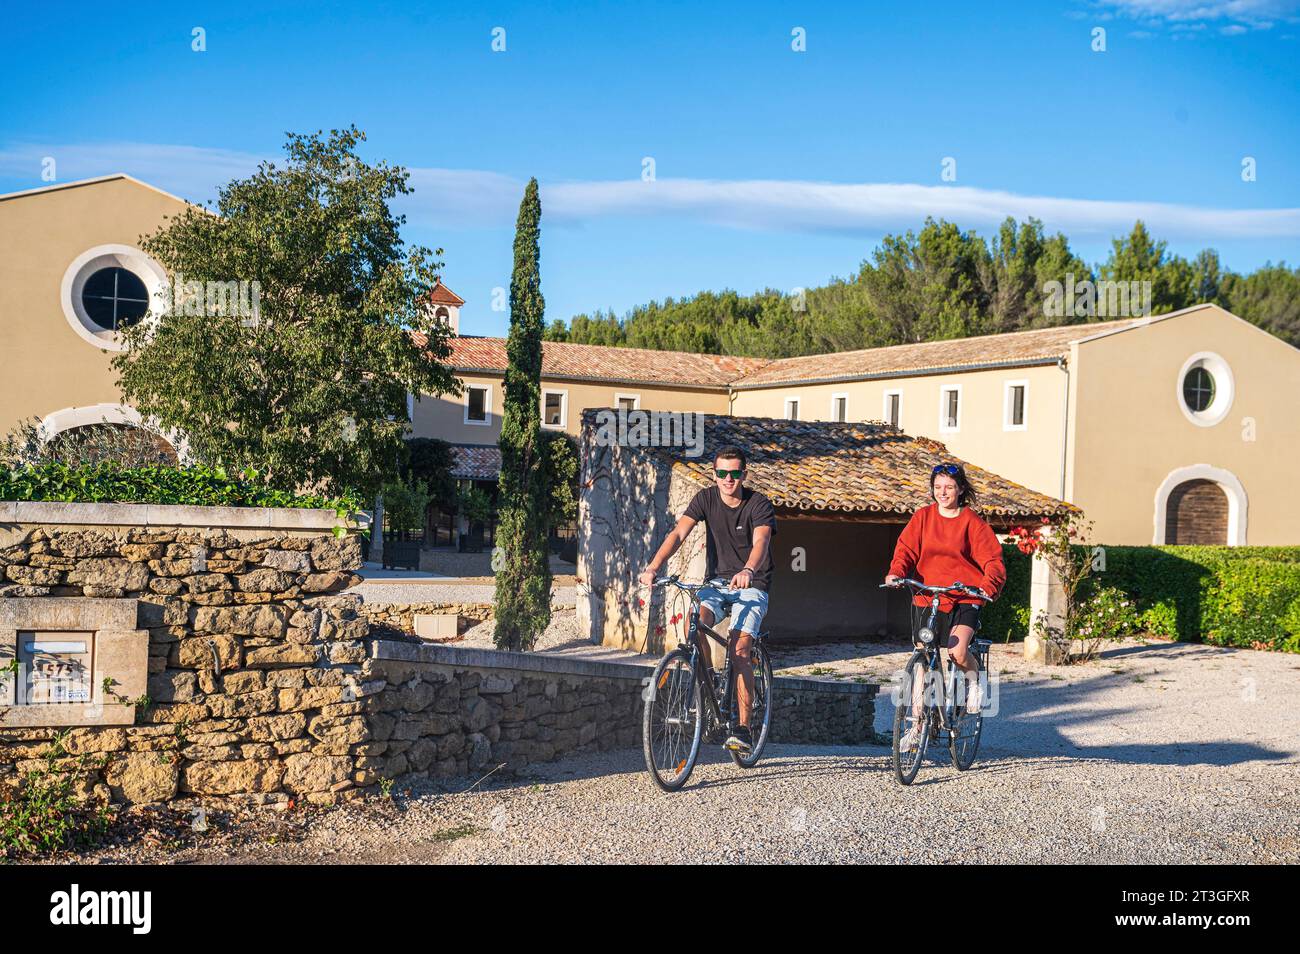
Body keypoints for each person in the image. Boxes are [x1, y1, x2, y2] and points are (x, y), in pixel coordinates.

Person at [638, 446, 776, 754]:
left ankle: (742, 728)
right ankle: (708, 680)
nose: (729, 479)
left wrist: (748, 570)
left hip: (751, 584)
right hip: (716, 583)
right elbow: (678, 534)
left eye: (735, 473)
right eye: (722, 473)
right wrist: (654, 567)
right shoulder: (705, 499)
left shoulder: (759, 504)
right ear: (714, 474)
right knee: (696, 624)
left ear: (744, 474)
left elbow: (761, 541)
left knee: (740, 648)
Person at [885, 462, 1005, 744]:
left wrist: (987, 587)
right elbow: (906, 550)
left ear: (960, 489)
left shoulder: (972, 522)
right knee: (920, 661)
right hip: (928, 594)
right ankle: (916, 725)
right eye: (937, 487)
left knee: (957, 651)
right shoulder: (923, 518)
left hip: (965, 595)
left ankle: (975, 682)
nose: (943, 492)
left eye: (949, 487)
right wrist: (897, 573)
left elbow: (993, 561)